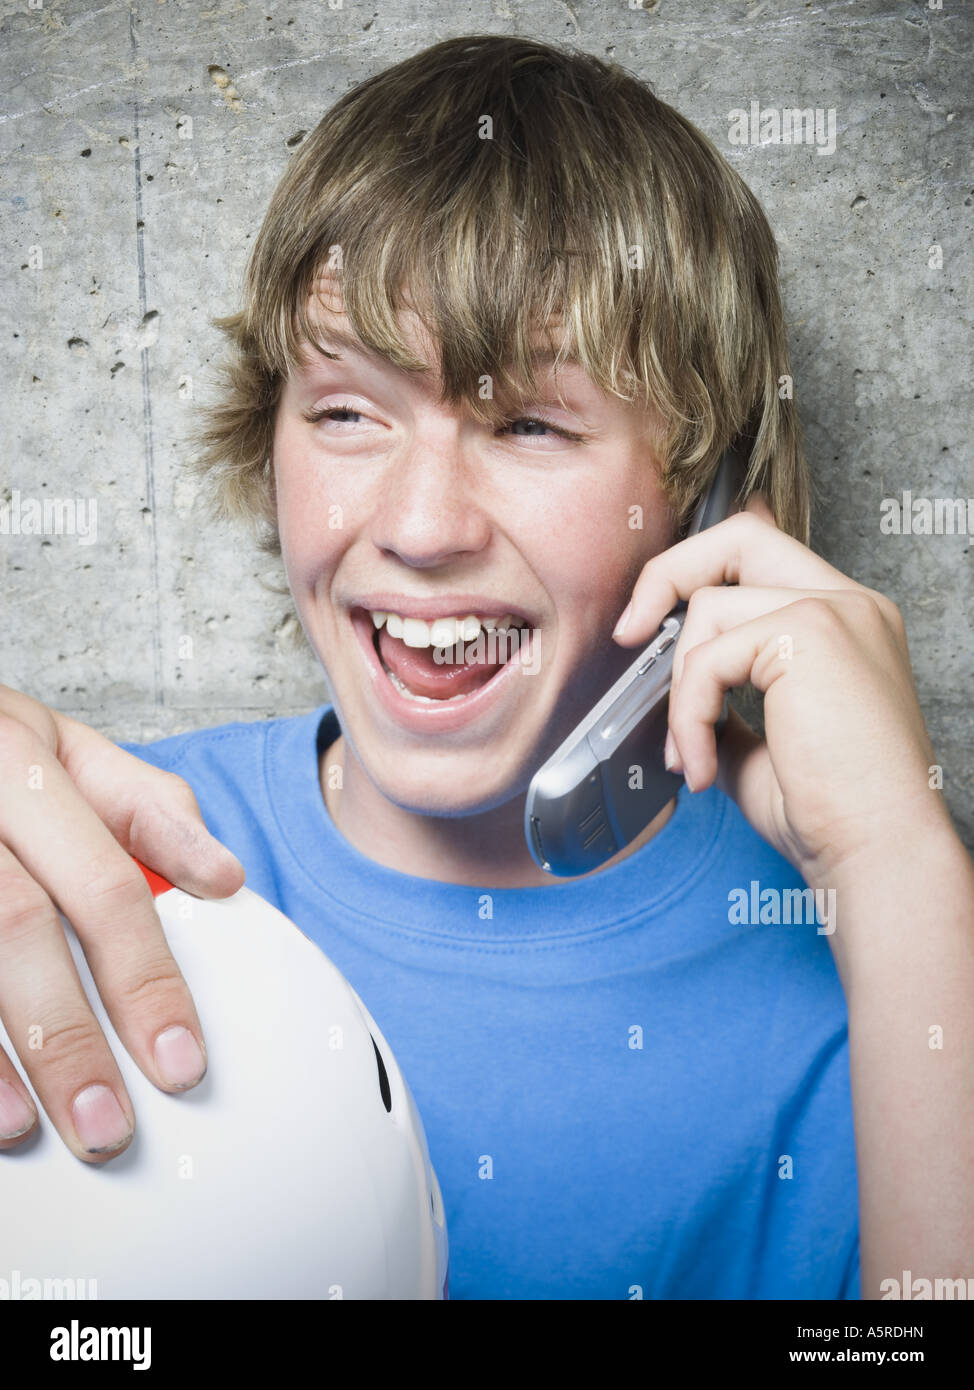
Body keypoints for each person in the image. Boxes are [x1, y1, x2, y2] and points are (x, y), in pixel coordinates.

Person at [1, 35, 971, 1301]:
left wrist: (899, 868)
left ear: (705, 497)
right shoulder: (77, 859)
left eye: (527, 423)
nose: (418, 525)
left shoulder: (881, 981)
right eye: (346, 409)